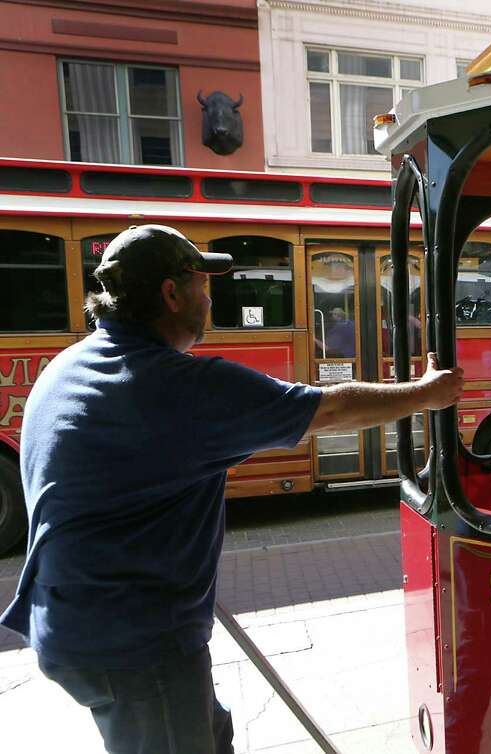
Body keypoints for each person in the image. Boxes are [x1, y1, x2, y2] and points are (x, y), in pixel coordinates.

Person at [0, 225, 464, 754]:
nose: (210, 296)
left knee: (209, 732)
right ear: (171, 295)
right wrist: (428, 394)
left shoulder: (66, 366)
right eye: (201, 282)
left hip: (72, 622)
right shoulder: (178, 386)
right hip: (136, 641)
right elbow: (330, 409)